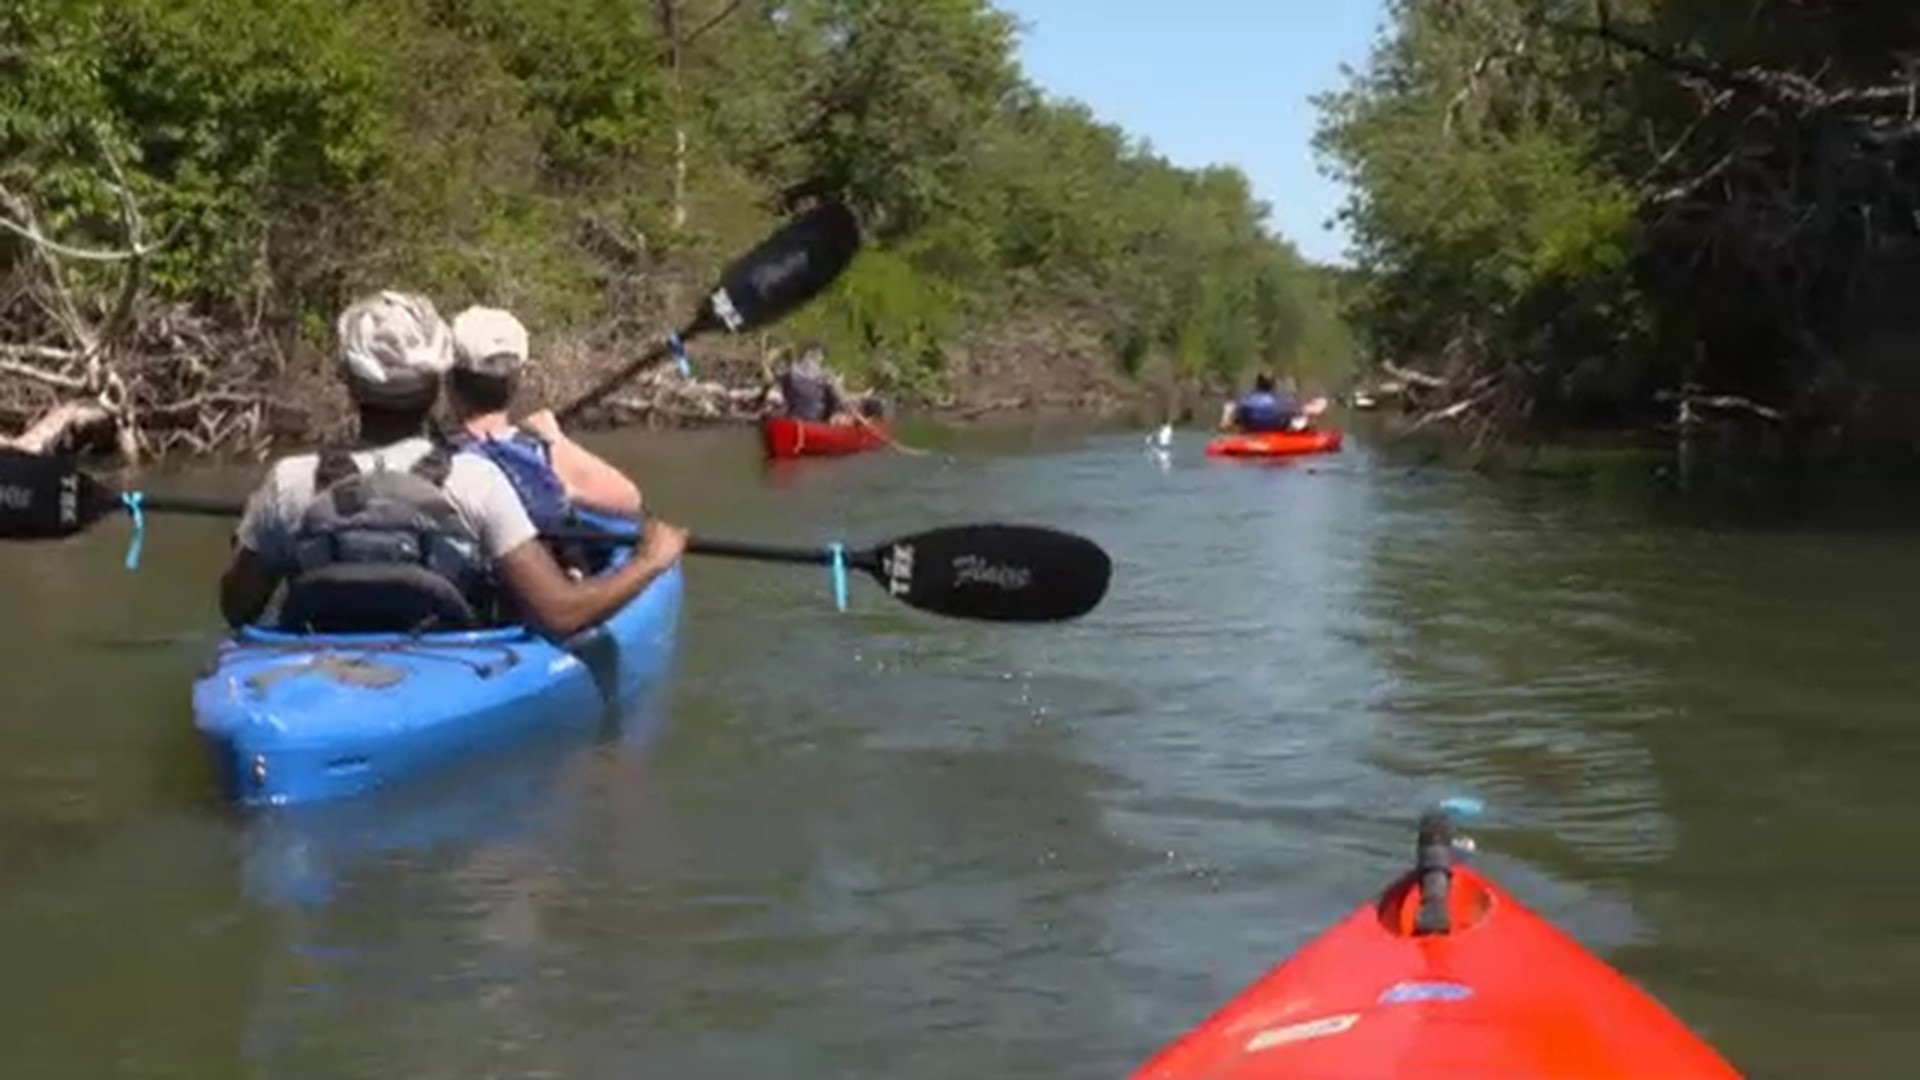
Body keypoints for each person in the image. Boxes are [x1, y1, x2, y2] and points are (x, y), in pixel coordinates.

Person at [218, 291, 686, 639]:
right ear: (438, 380)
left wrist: (249, 541)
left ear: (347, 380)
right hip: (445, 655)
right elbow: (561, 614)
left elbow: (237, 608)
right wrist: (650, 560)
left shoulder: (288, 481)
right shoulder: (476, 480)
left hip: (319, 653)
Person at [444, 305, 644, 532]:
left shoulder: (433, 458)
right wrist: (557, 443)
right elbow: (629, 500)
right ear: (518, 380)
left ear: (450, 383)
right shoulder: (544, 453)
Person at [775, 342, 854, 425]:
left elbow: (772, 379)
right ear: (811, 353)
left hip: (793, 417)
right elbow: (842, 398)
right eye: (821, 356)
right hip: (815, 421)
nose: (821, 359)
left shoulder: (789, 370)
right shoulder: (824, 374)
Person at [1219, 371, 1303, 433]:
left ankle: (1225, 423)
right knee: (1296, 417)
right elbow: (1295, 413)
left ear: (1257, 384)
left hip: (1251, 431)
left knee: (1230, 407)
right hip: (1275, 430)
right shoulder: (1281, 401)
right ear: (1273, 386)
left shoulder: (1246, 400)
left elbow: (1238, 415)